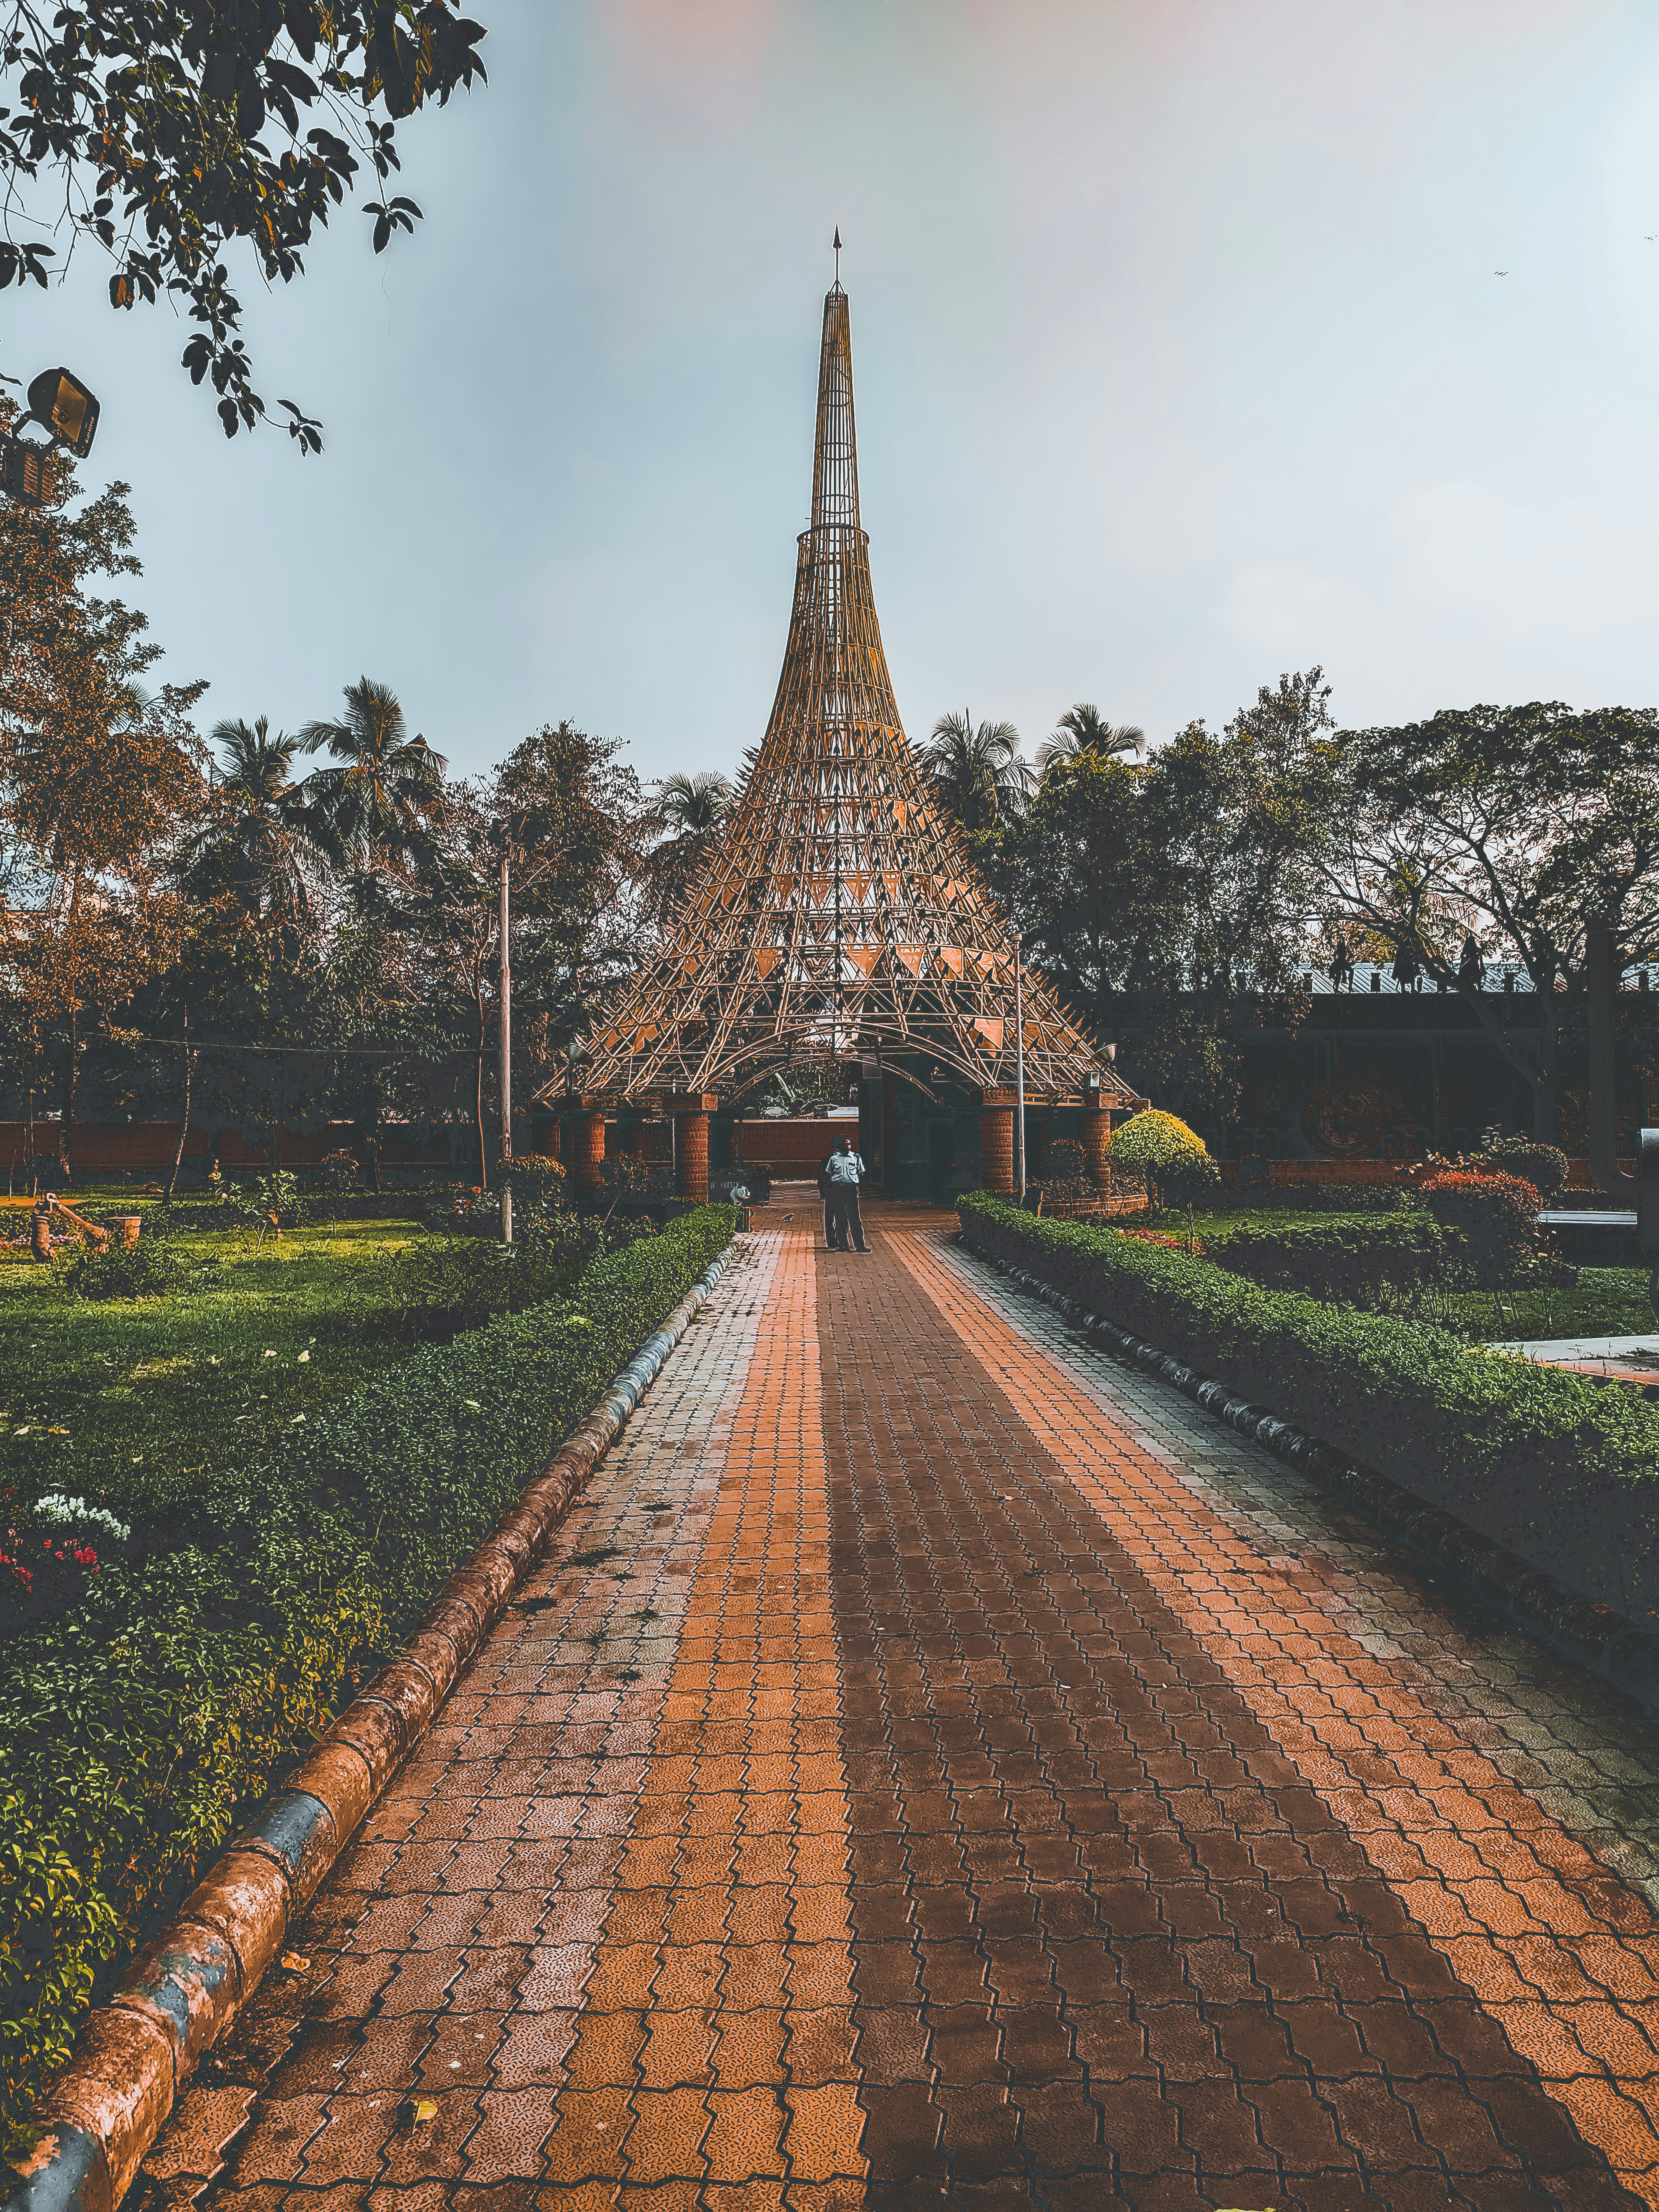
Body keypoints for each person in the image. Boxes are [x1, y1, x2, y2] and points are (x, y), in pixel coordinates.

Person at [825, 1133, 870, 1253]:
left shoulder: (856, 1157)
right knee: (840, 1218)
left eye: (849, 1145)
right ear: (841, 1146)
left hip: (851, 1189)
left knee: (854, 1218)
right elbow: (830, 1173)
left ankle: (860, 1246)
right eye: (845, 1145)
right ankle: (843, 1245)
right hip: (838, 1189)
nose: (848, 1147)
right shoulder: (834, 1159)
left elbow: (861, 1172)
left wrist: (855, 1182)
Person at [817, 1150, 838, 1248]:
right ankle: (839, 1239)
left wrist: (823, 1193)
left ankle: (831, 1241)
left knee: (830, 1217)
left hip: (830, 1192)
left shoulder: (826, 1160)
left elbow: (821, 1179)